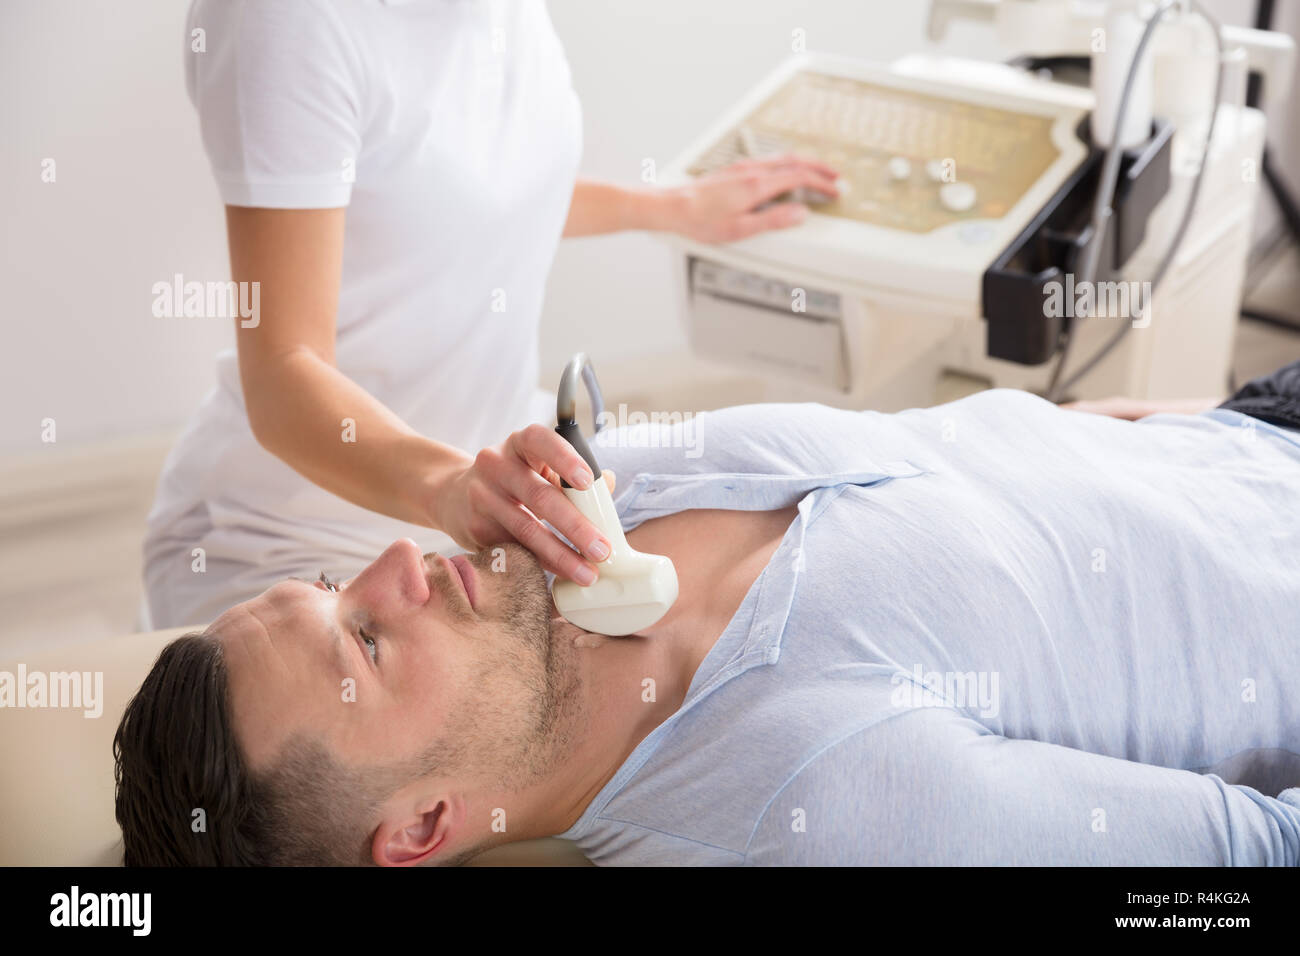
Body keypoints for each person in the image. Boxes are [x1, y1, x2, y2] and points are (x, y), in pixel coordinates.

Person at [114, 360, 1300, 865]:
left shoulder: (593, 489)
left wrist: (1231, 418)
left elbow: (1000, 438)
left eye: (331, 588)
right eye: (362, 641)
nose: (388, 562)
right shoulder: (813, 802)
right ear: (421, 825)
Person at [143, 0, 839, 628]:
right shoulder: (288, 21)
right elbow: (283, 377)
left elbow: (475, 193)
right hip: (293, 535)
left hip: (483, 505)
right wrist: (449, 487)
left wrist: (668, 209)